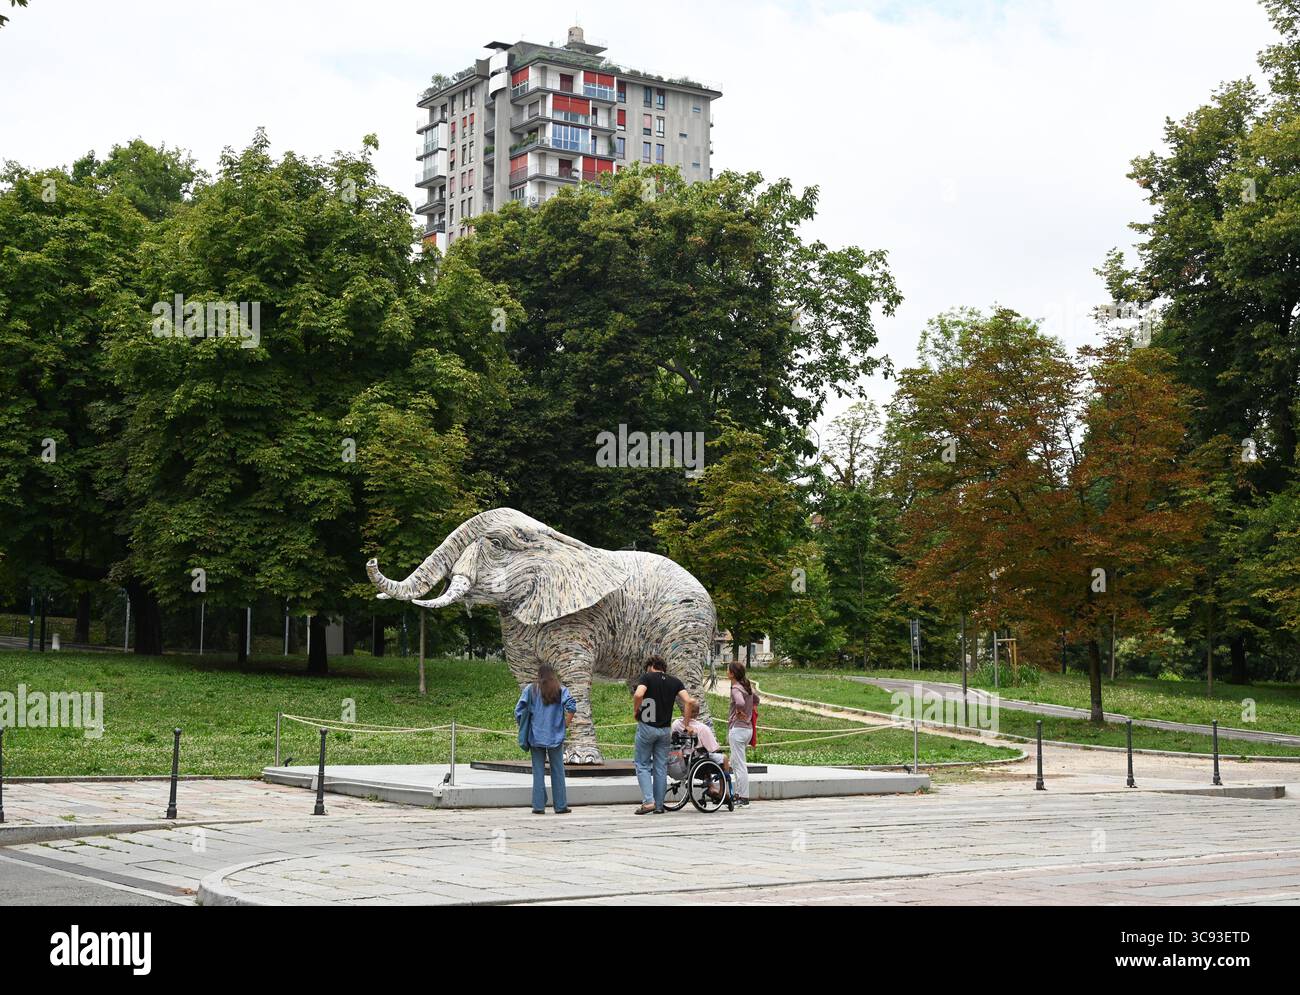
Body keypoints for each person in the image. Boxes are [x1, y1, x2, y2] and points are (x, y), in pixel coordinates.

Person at [632, 655, 690, 815]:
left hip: (646, 726)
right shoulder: (675, 681)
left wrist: (636, 710)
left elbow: (638, 694)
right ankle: (659, 805)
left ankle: (648, 802)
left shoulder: (647, 677)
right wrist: (686, 724)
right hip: (665, 730)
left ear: (651, 666)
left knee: (642, 764)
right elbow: (688, 701)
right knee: (660, 767)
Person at [515, 664, 577, 814]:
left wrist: (524, 725)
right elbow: (572, 707)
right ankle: (561, 805)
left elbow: (518, 711)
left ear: (539, 675)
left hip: (536, 736)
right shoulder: (560, 689)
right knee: (558, 771)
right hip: (556, 735)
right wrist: (564, 724)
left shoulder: (530, 690)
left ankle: (538, 806)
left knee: (538, 772)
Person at [671, 696, 730, 800]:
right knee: (722, 758)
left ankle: (711, 787)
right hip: (697, 762)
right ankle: (723, 793)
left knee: (705, 758)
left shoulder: (675, 724)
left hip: (680, 761)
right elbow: (713, 749)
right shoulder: (702, 728)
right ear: (697, 712)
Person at [728, 661, 759, 806]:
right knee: (736, 763)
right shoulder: (747, 687)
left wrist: (739, 711)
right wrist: (748, 711)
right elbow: (756, 699)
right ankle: (739, 793)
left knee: (739, 764)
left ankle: (743, 797)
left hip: (738, 729)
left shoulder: (736, 688)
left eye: (728, 670)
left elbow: (739, 702)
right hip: (748, 729)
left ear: (732, 674)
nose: (726, 673)